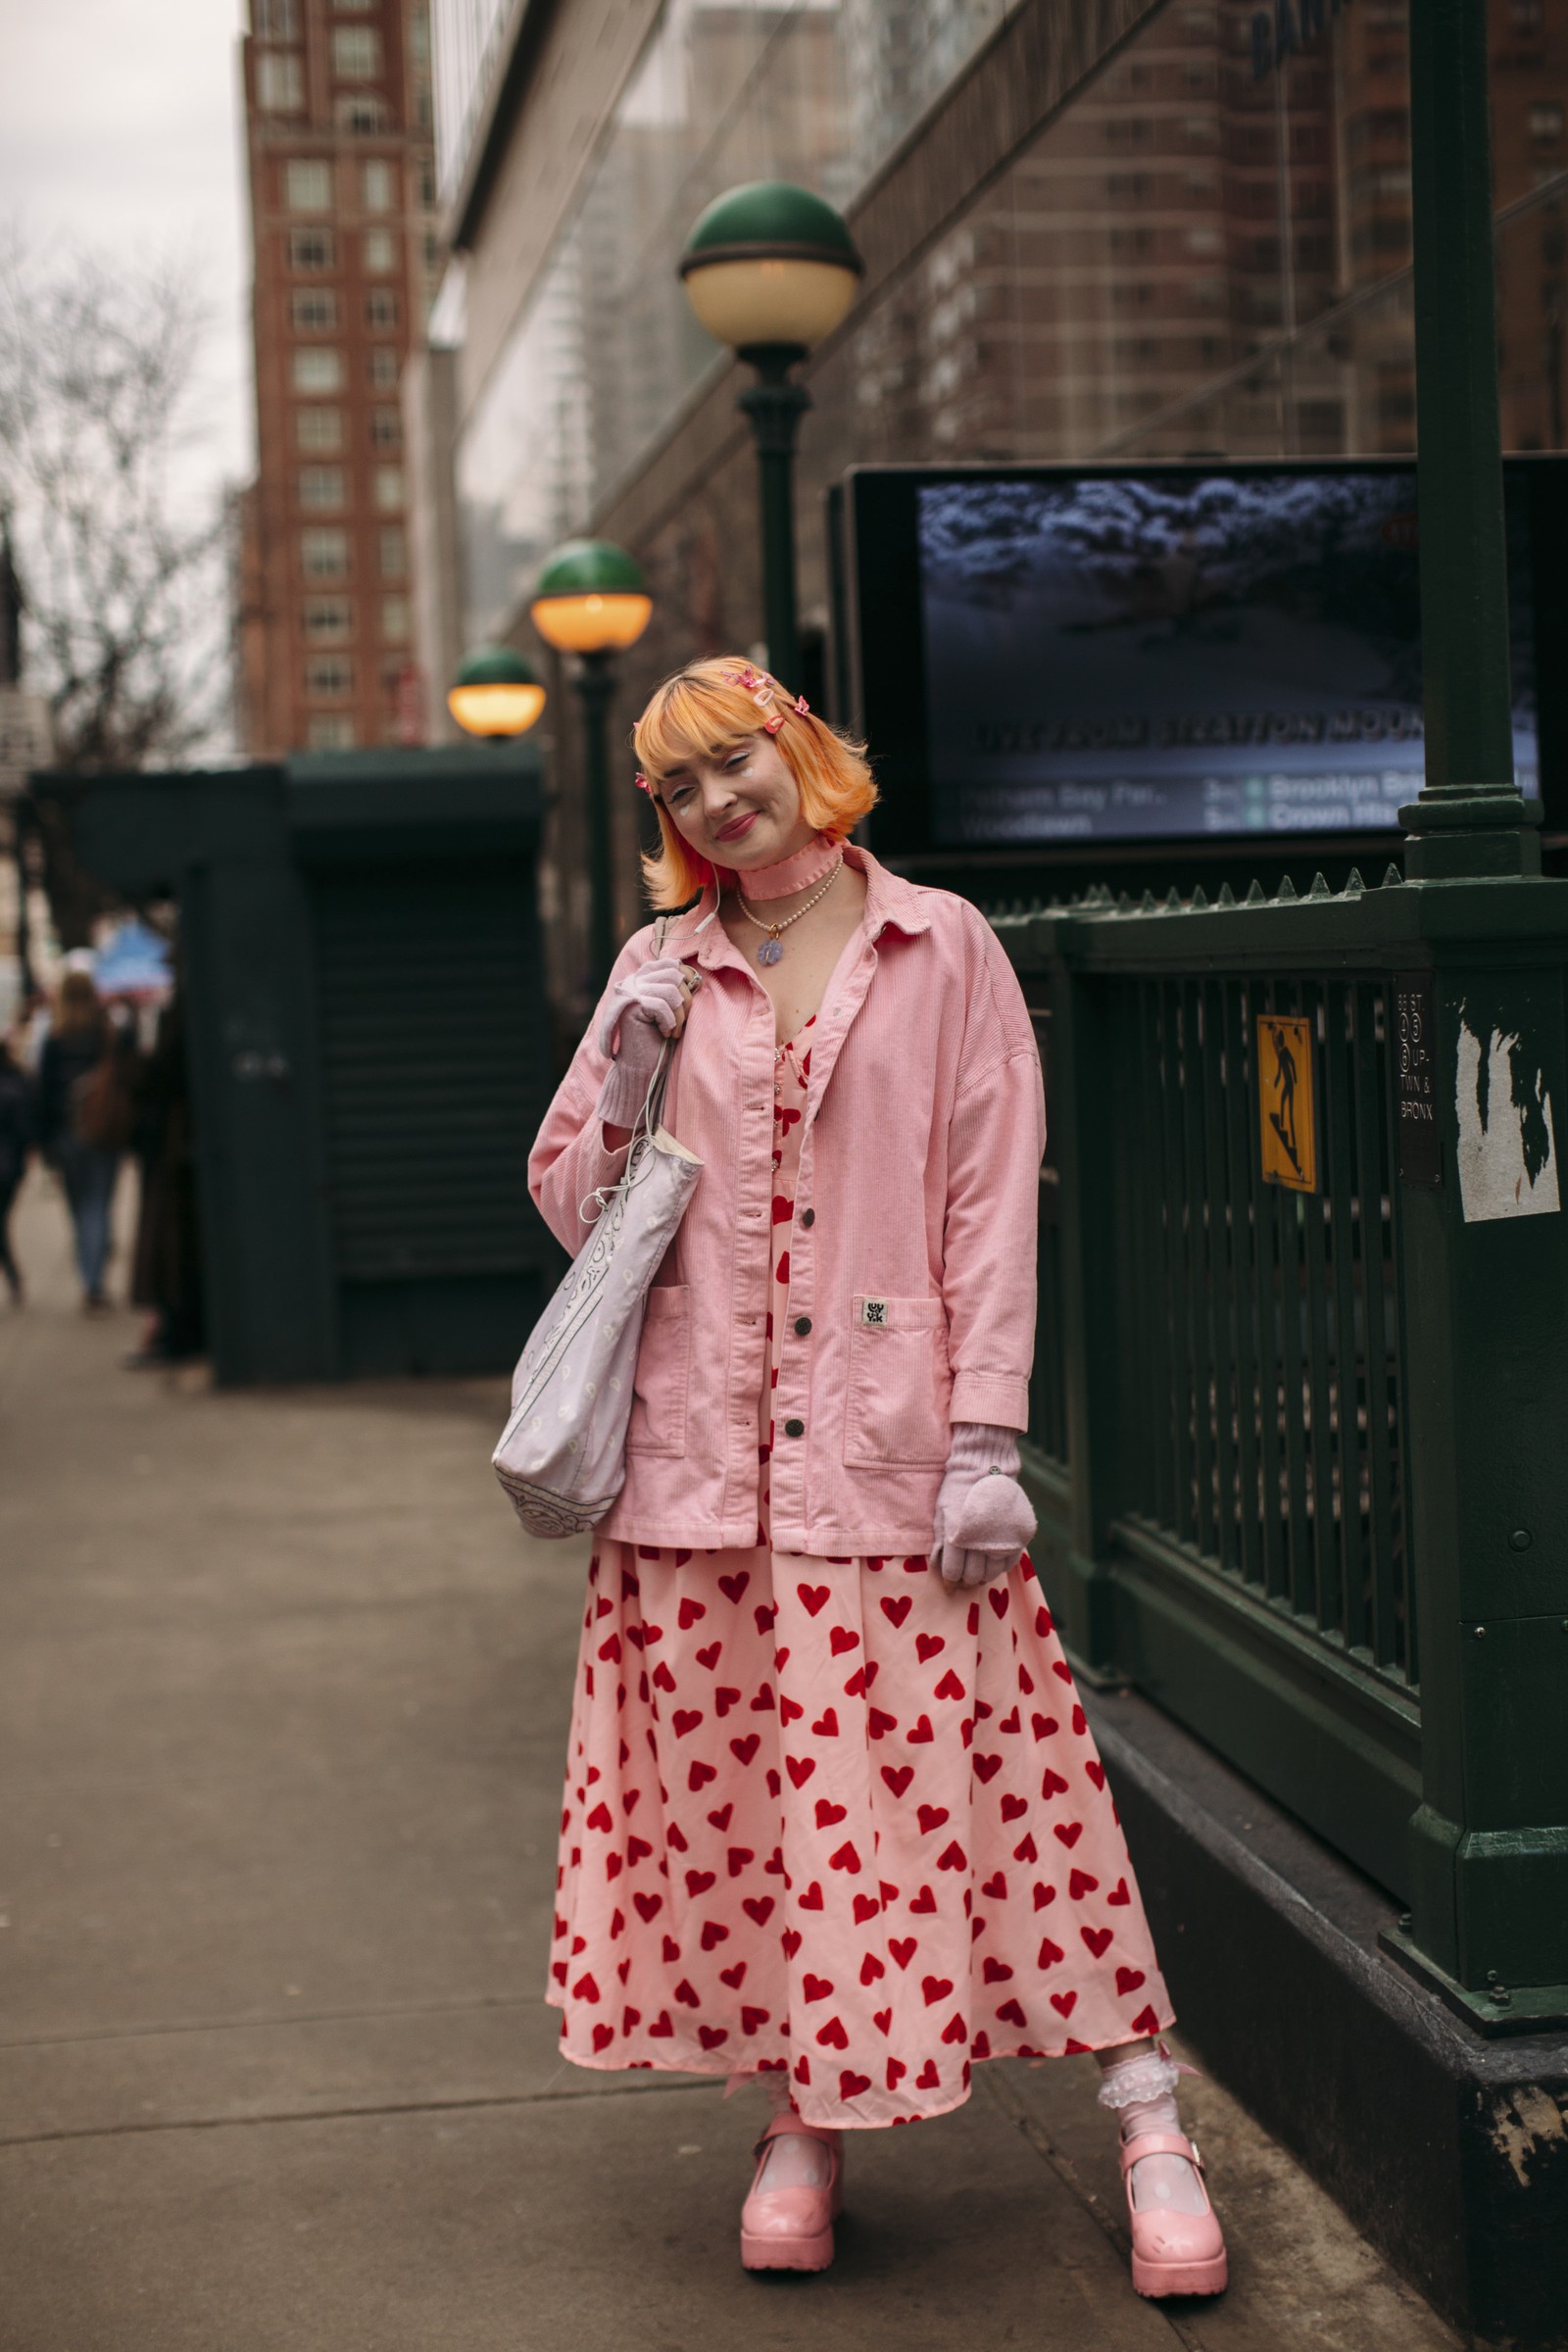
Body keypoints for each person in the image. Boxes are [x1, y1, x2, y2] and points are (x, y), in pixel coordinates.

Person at [528, 659, 1227, 2297]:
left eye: (736, 761)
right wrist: (626, 1069)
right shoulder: (659, 966)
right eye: (681, 785)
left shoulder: (942, 944)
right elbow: (573, 1204)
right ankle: (798, 2121)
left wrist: (988, 1436)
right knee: (761, 1822)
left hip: (893, 1462)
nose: (716, 801)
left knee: (1010, 1800)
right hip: (701, 1479)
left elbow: (991, 1195)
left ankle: (1149, 2122)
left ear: (803, 753)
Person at [36, 969, 131, 1312]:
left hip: (66, 1134)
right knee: (99, 1205)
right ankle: (94, 1279)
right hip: (104, 1131)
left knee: (80, 1208)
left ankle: (89, 1275)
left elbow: (44, 1096)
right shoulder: (106, 1033)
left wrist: (44, 1145)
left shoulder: (54, 1038)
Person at [0, 1035, 34, 1304]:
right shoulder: (17, 1083)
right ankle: (13, 1276)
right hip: (9, 1168)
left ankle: (13, 1276)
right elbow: (26, 1132)